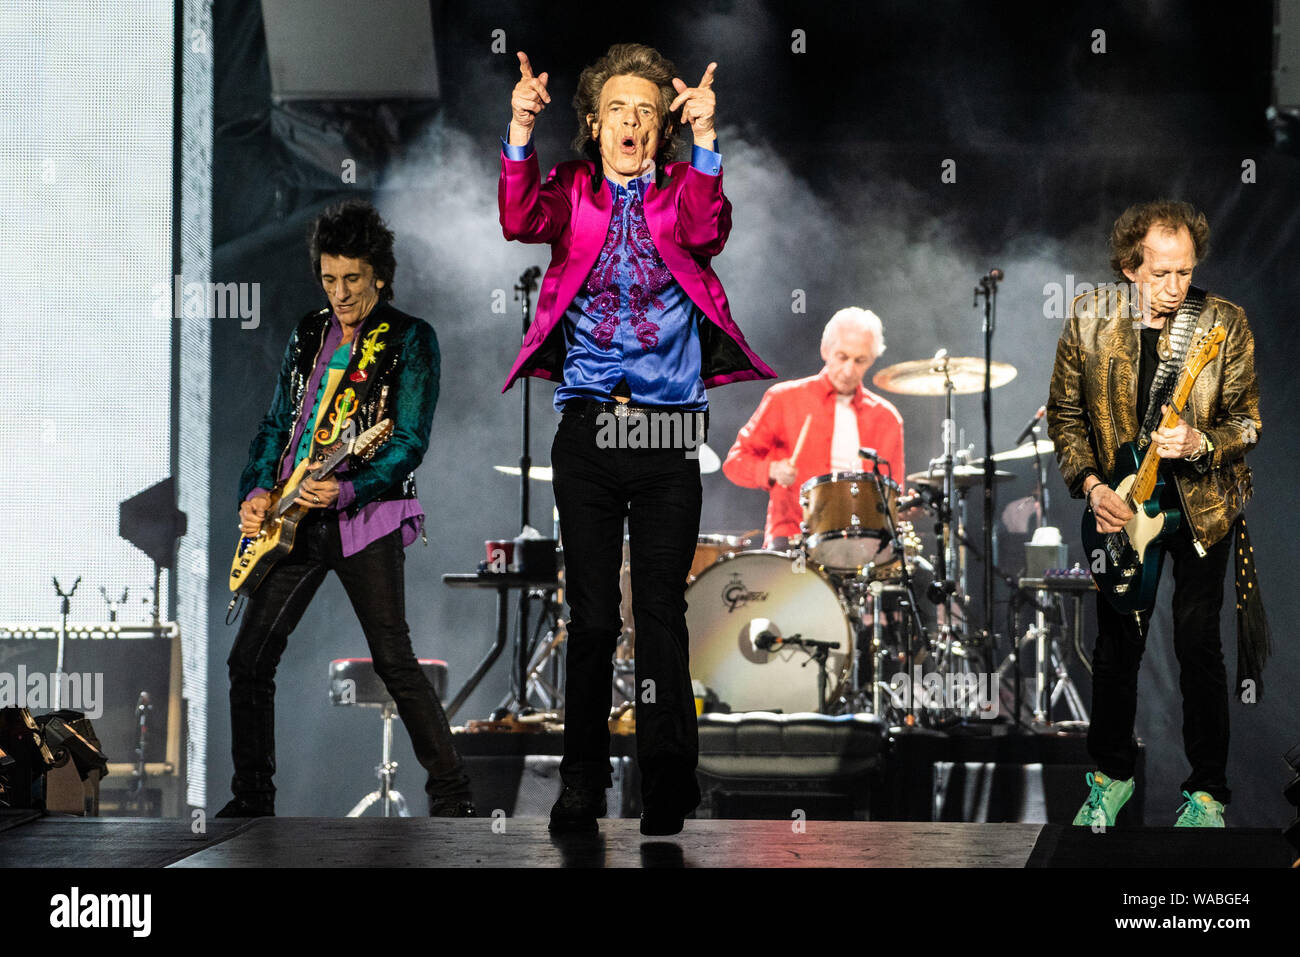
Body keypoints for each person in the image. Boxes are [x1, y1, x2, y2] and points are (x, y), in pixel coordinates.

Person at [498, 43, 774, 835]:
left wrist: (711, 137)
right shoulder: (570, 190)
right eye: (618, 108)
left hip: (665, 434)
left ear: (663, 128)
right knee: (590, 618)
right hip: (587, 428)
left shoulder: (683, 192)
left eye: (647, 111)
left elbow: (708, 229)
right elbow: (520, 220)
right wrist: (520, 127)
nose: (632, 121)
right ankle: (579, 782)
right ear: (592, 122)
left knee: (659, 613)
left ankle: (666, 785)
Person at [219, 201, 474, 818]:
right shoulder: (309, 332)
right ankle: (252, 799)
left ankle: (453, 795)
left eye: (352, 280)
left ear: (379, 275)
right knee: (247, 659)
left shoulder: (411, 338)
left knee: (393, 660)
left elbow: (409, 439)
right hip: (290, 519)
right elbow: (277, 424)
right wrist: (256, 491)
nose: (340, 293)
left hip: (364, 518)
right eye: (329, 280)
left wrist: (349, 488)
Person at [1046, 200, 1267, 829]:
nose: (1176, 288)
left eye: (1185, 272)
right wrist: (1091, 486)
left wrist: (1202, 443)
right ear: (1129, 268)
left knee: (1198, 643)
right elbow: (1066, 415)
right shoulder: (1090, 318)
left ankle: (1206, 795)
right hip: (1121, 508)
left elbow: (1247, 421)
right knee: (1117, 646)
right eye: (1162, 273)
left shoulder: (1222, 322)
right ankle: (1110, 779)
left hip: (1201, 509)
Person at [723, 307, 905, 550]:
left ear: (871, 360)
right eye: (842, 357)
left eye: (860, 360)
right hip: (793, 539)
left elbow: (893, 495)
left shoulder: (887, 417)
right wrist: (772, 469)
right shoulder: (783, 399)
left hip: (863, 546)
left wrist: (903, 507)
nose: (849, 370)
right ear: (825, 350)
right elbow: (735, 463)